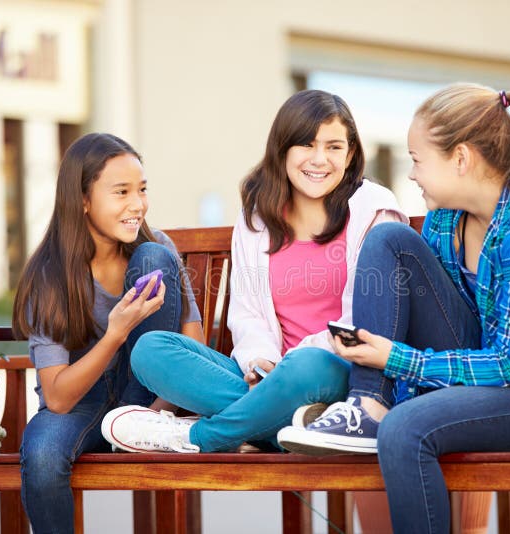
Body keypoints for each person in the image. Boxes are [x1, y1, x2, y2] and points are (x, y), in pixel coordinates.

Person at [277, 83, 510, 533]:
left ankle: (381, 416)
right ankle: (367, 404)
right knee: (389, 239)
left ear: (461, 159)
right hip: (484, 370)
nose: (410, 174)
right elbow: (433, 328)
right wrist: (392, 371)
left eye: (417, 159)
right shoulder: (446, 218)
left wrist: (396, 360)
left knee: (406, 430)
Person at [99, 89, 408, 454]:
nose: (320, 159)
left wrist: (287, 368)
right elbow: (246, 312)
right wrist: (260, 361)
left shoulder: (374, 210)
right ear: (283, 149)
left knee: (307, 365)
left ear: (351, 153)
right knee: (151, 350)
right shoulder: (257, 218)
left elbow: (363, 323)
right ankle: (283, 424)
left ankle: (198, 437)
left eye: (334, 147)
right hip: (263, 378)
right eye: (306, 145)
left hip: (337, 373)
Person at [11, 132, 203, 533]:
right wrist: (116, 331)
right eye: (121, 192)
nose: (138, 205)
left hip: (149, 397)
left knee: (154, 255)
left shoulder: (157, 248)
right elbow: (59, 398)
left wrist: (149, 417)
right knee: (41, 456)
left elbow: (193, 348)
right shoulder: (51, 275)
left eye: (142, 190)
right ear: (82, 200)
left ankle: (146, 420)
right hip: (82, 398)